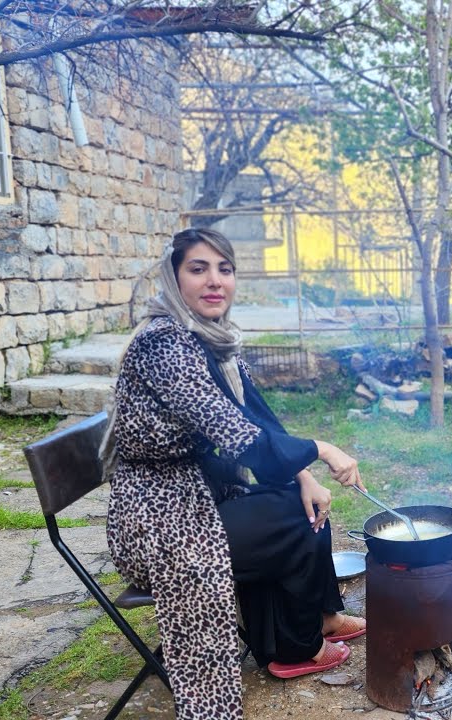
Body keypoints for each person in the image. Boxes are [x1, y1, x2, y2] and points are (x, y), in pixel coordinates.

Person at [101, 228, 368, 718]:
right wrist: (321, 449)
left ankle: (322, 618)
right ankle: (295, 648)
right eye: (197, 269)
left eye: (224, 269)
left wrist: (303, 473)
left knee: (303, 502)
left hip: (199, 492)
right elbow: (237, 436)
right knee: (288, 517)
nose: (214, 281)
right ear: (173, 276)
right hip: (158, 519)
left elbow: (259, 419)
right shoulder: (165, 345)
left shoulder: (214, 339)